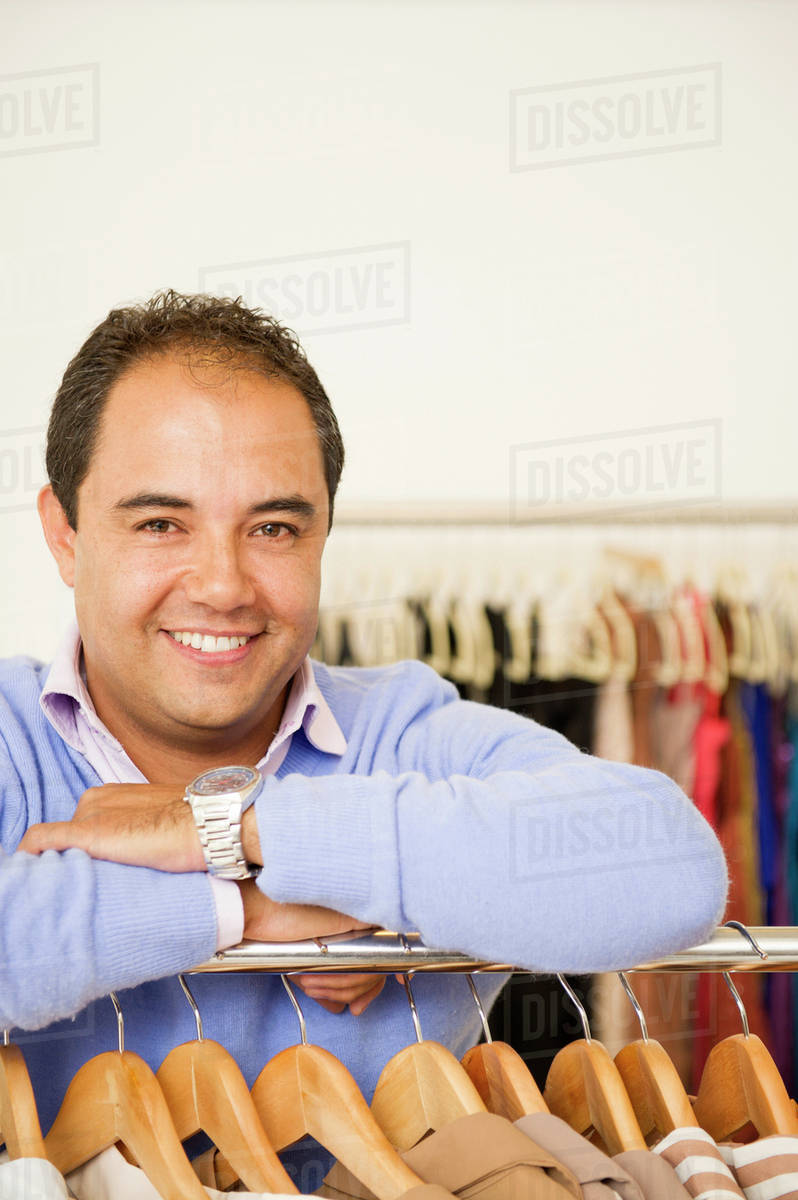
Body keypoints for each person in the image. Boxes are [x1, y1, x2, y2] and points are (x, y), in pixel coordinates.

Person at [0, 290, 727, 1184]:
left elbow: (668, 866)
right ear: (65, 534)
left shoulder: (405, 731)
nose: (222, 585)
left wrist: (236, 830)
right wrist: (248, 908)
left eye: (274, 528)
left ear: (323, 537)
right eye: (160, 524)